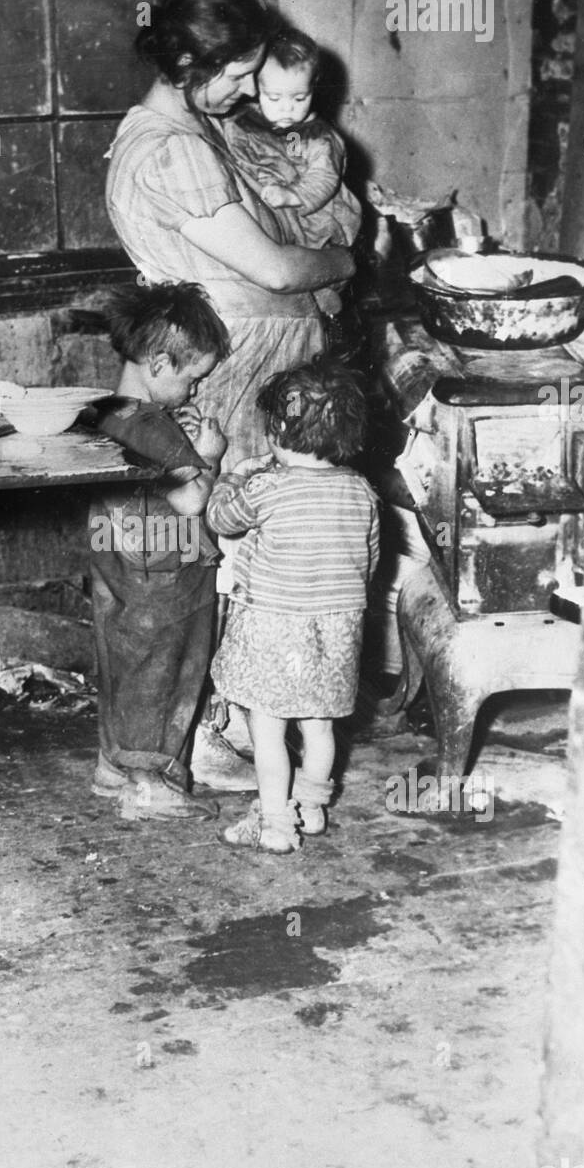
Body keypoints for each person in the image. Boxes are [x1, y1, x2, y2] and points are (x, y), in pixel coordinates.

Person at [105, 0, 354, 790]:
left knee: (229, 545)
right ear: (187, 62)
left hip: (238, 360)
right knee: (230, 553)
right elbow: (277, 269)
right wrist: (349, 258)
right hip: (231, 363)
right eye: (239, 73)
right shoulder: (172, 147)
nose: (250, 88)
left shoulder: (182, 131)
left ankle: (226, 724)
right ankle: (210, 732)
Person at [206, 361, 380, 853]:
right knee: (320, 728)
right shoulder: (361, 492)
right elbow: (368, 560)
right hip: (335, 632)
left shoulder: (267, 486)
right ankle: (313, 808)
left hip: (274, 631)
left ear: (279, 430)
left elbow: (221, 519)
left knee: (269, 733)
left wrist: (232, 477)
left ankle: (278, 824)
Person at [89, 281, 230, 821]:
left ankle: (112, 768)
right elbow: (191, 501)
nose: (194, 392)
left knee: (120, 661)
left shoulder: (105, 412)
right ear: (160, 361)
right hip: (166, 571)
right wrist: (210, 456)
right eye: (192, 379)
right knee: (163, 668)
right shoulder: (158, 429)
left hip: (116, 561)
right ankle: (147, 785)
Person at [222, 24, 362, 321]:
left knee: (314, 261)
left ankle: (325, 296)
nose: (287, 108)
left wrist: (292, 195)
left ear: (314, 89)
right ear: (255, 88)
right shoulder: (243, 122)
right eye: (274, 98)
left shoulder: (317, 137)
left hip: (310, 213)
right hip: (267, 210)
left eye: (299, 99)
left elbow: (324, 178)